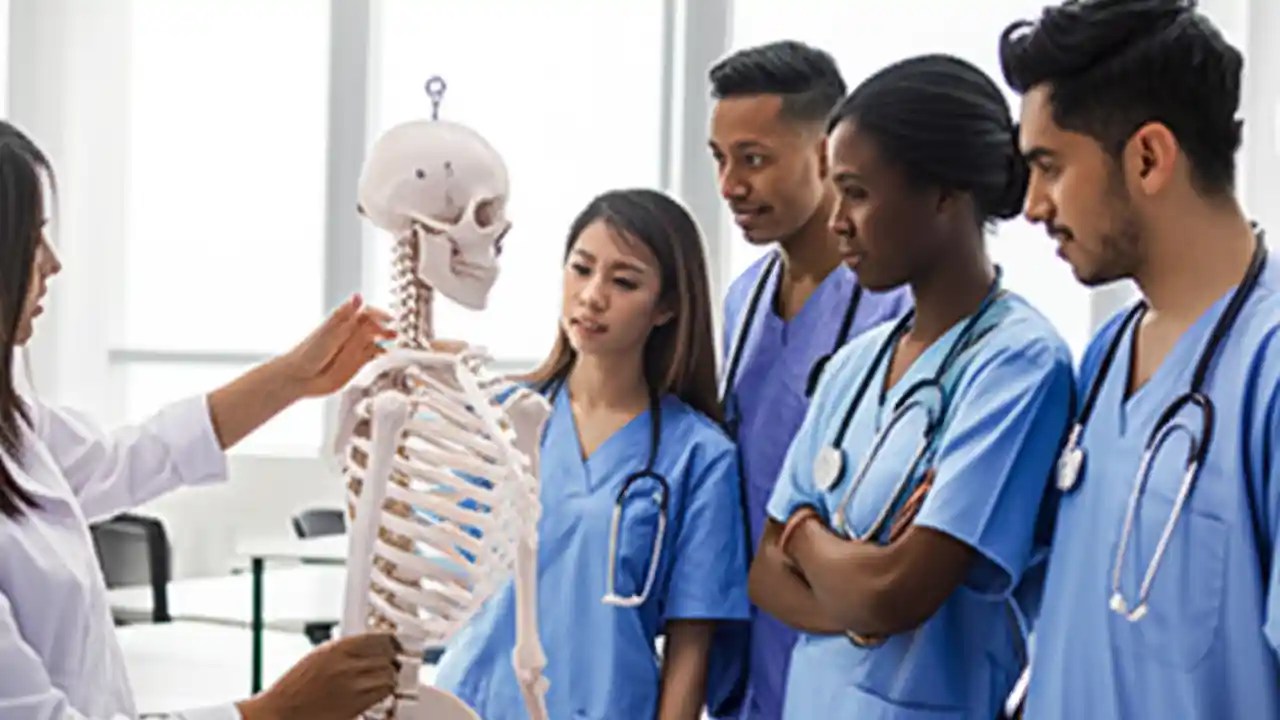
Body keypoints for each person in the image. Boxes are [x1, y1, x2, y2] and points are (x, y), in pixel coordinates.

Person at [0, 119, 404, 720]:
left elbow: (131, 457)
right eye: (32, 239)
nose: (53, 264)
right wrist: (274, 711)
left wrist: (294, 377)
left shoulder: (17, 428)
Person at [749, 55, 1075, 719]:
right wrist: (855, 596)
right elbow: (765, 576)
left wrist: (804, 534)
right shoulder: (855, 364)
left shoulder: (1018, 363)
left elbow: (896, 592)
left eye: (857, 192)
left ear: (944, 194)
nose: (836, 221)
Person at [999, 1, 1280, 717]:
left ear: (1148, 158)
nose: (1033, 206)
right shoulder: (1104, 359)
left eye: (1049, 167)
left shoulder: (1268, 372)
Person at [433, 188, 751, 719]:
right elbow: (437, 563)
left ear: (667, 307)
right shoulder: (499, 416)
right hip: (474, 702)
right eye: (581, 269)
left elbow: (690, 644)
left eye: (624, 282)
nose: (592, 296)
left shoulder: (699, 456)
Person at [705, 39, 911, 719]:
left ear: (827, 154)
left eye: (753, 159)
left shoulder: (898, 311)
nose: (730, 185)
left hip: (848, 659)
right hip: (749, 663)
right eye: (719, 159)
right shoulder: (743, 302)